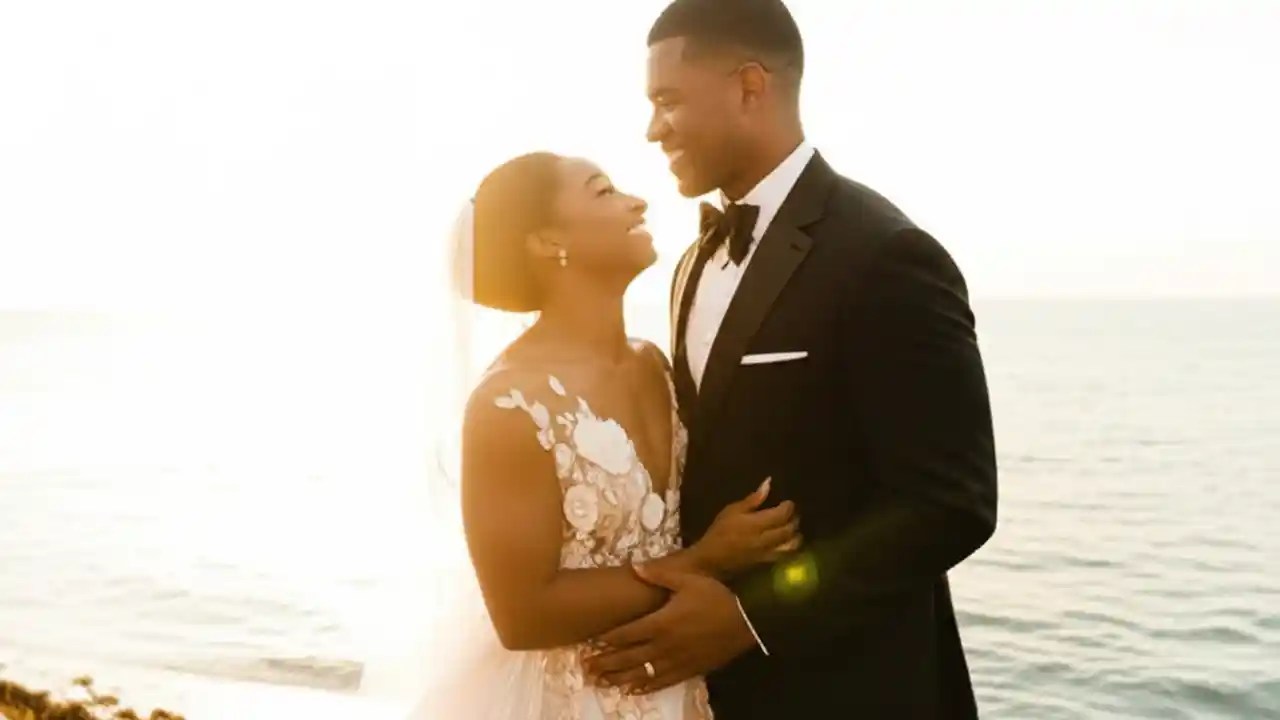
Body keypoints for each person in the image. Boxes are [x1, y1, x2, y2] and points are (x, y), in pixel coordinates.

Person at [582, 1, 1000, 717]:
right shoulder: (690, 263)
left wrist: (751, 618)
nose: (653, 129)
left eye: (668, 101)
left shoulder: (887, 256)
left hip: (853, 689)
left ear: (750, 86)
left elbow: (950, 505)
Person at [414, 151, 801, 719]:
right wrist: (704, 560)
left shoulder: (657, 365)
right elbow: (521, 615)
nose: (637, 201)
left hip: (675, 688)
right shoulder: (509, 404)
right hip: (569, 700)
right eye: (603, 191)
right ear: (548, 242)